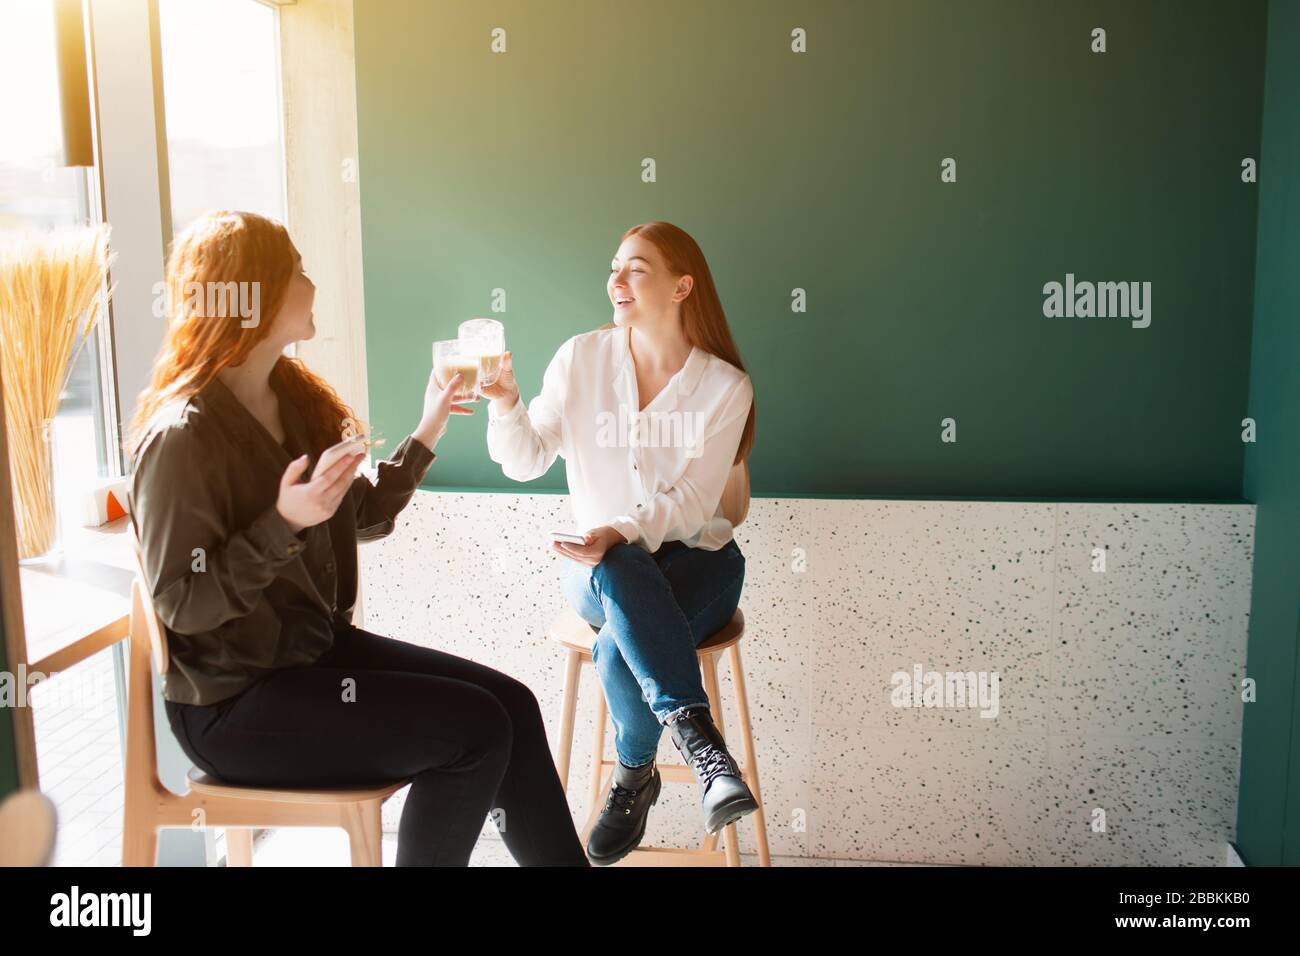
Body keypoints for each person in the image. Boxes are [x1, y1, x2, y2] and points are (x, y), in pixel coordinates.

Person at [128, 210, 588, 866]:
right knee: (476, 729)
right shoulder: (183, 436)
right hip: (233, 707)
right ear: (252, 294)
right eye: (298, 272)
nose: (312, 286)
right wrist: (284, 523)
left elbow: (362, 516)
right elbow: (183, 603)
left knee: (510, 704)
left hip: (310, 659)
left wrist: (428, 430)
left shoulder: (290, 400)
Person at [482, 220, 758, 865]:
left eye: (635, 267)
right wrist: (505, 401)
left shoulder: (725, 387)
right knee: (620, 563)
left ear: (681, 286)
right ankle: (702, 745)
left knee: (617, 643)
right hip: (596, 567)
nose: (615, 280)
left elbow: (692, 503)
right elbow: (525, 458)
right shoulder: (581, 358)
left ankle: (634, 775)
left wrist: (622, 530)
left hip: (700, 565)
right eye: (614, 266)